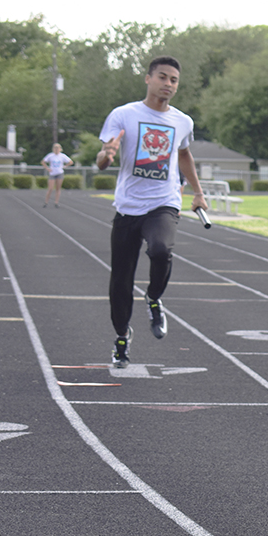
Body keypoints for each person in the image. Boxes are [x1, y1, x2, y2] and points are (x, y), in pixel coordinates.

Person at [96, 56, 208, 368]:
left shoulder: (182, 121)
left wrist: (198, 193)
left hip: (164, 202)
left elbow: (184, 154)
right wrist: (106, 155)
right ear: (148, 79)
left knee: (160, 250)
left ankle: (154, 297)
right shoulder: (124, 115)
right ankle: (121, 338)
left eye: (174, 80)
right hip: (129, 206)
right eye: (162, 77)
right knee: (121, 279)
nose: (168, 84)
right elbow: (103, 158)